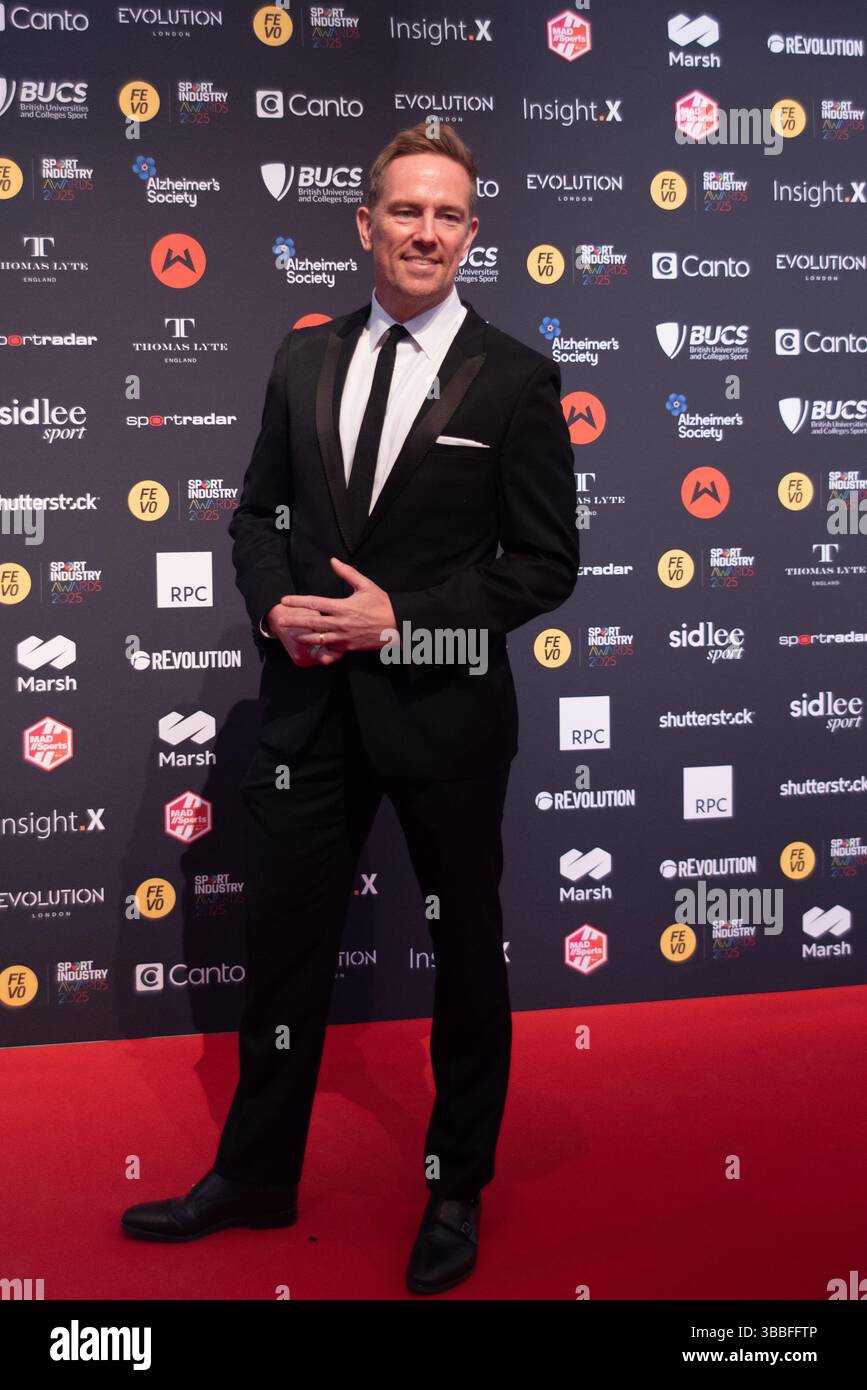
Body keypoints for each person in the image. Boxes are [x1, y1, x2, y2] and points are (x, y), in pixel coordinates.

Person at [121, 121, 579, 1296]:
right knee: (282, 957)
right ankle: (257, 1175)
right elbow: (257, 516)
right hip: (309, 712)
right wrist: (277, 610)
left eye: (449, 215)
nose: (426, 232)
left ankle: (454, 1181)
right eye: (405, 210)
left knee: (468, 958)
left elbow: (542, 565)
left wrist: (402, 621)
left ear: (474, 234)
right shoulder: (304, 357)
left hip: (445, 714)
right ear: (363, 223)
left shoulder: (521, 378)